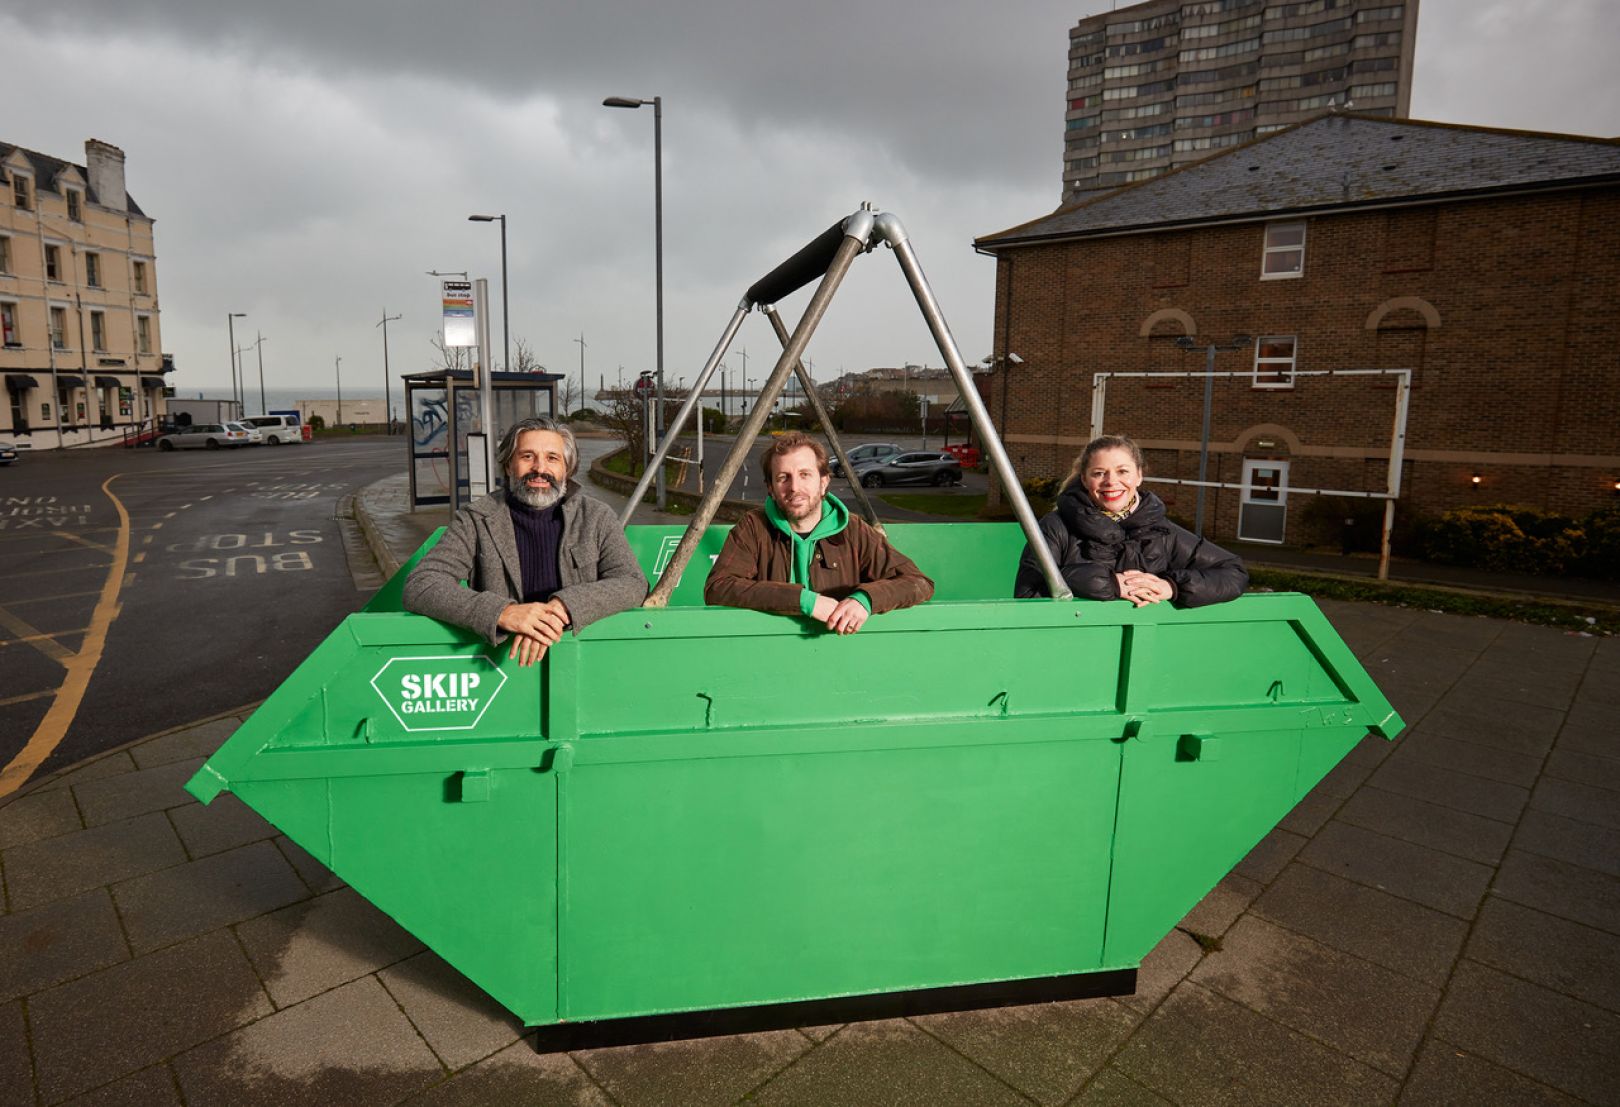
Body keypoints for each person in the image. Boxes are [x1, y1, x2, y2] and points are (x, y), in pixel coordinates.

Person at [403, 416, 647, 665]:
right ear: (509, 465)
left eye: (552, 458)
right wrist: (504, 613)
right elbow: (422, 585)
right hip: (503, 666)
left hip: (580, 665)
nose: (540, 468)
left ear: (567, 469)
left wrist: (560, 609)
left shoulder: (596, 516)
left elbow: (632, 582)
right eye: (527, 456)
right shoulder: (476, 519)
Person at [704, 432, 933, 633]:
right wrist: (804, 600)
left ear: (823, 482)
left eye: (805, 475)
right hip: (771, 656)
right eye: (783, 477)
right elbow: (718, 587)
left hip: (838, 656)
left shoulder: (853, 530)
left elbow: (918, 583)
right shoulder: (753, 527)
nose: (794, 487)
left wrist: (866, 599)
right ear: (771, 488)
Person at [1014, 434, 1247, 607]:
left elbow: (1234, 573)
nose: (1111, 481)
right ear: (1085, 480)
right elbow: (1027, 593)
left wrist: (1171, 586)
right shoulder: (1056, 527)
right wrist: (1108, 584)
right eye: (1099, 473)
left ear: (1139, 476)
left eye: (1122, 471)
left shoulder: (1162, 532)